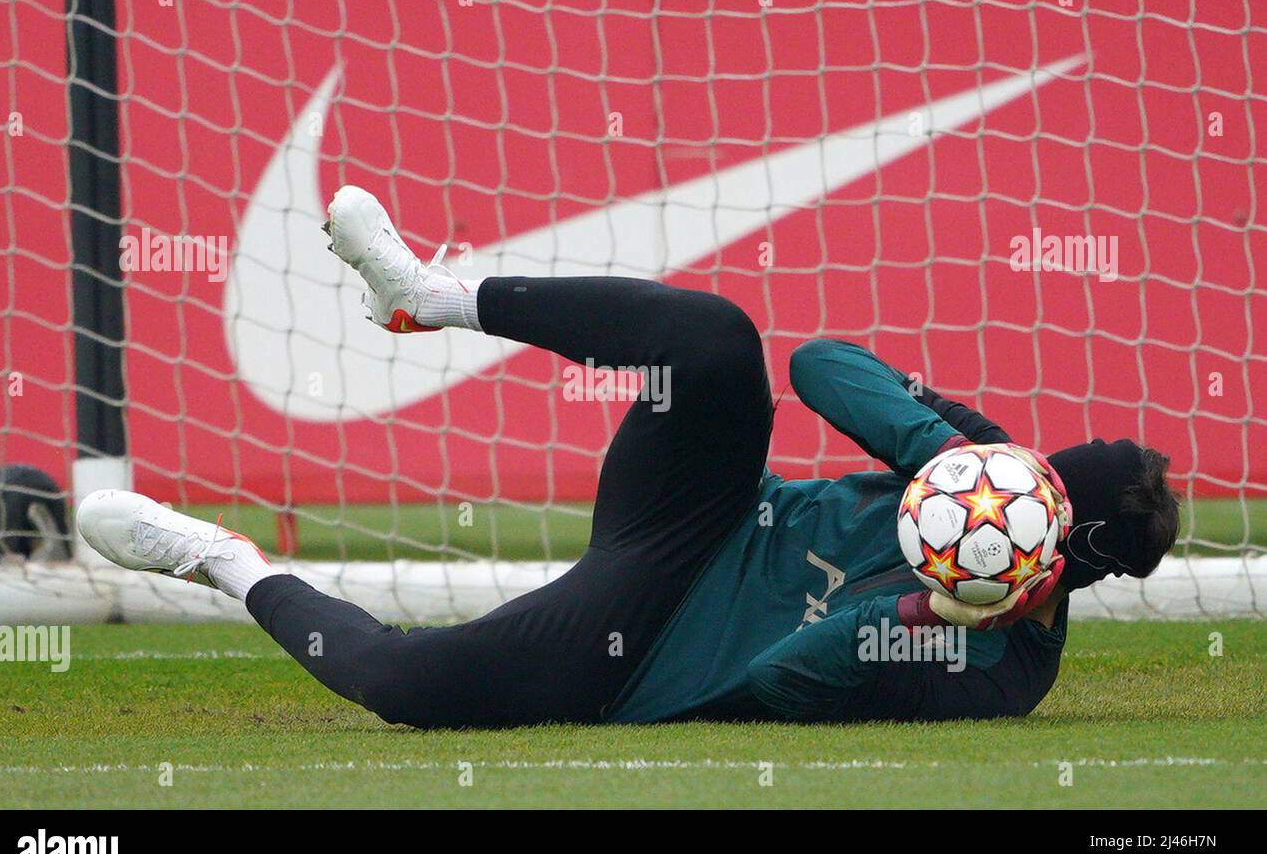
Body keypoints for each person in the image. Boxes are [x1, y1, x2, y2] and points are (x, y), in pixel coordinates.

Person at [77, 186, 1180, 728]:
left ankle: (213, 557)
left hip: (641, 654)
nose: (1013, 474)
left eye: (1039, 485)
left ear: (1063, 555)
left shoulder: (1003, 671)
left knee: (411, 685)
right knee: (715, 342)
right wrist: (945, 453)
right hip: (704, 514)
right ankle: (428, 299)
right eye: (1026, 464)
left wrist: (943, 608)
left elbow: (782, 675)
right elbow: (819, 361)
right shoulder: (981, 474)